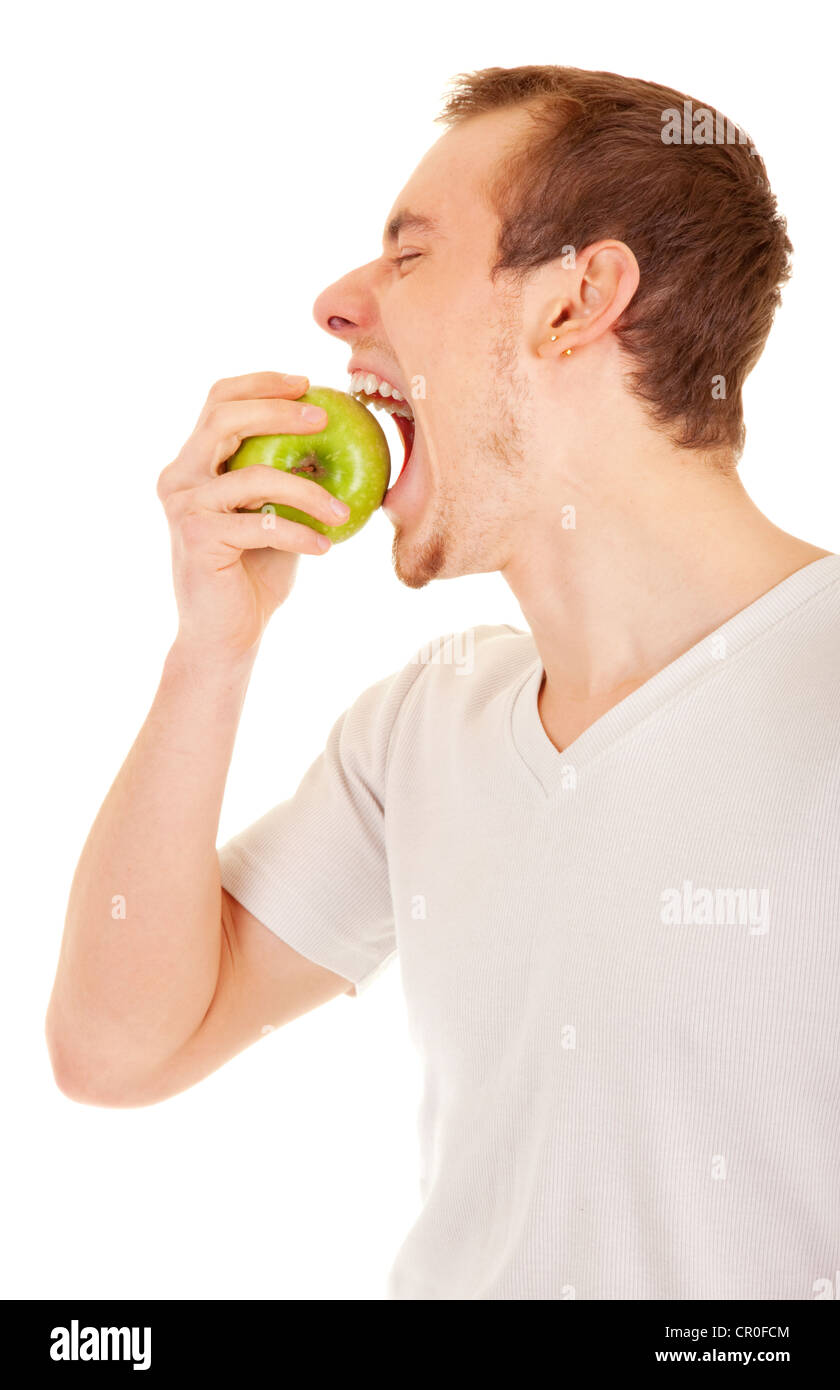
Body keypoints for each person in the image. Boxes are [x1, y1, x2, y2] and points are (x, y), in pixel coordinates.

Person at [47, 65, 839, 1301]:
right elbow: (114, 1052)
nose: (336, 303)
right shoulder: (422, 731)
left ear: (580, 299)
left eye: (408, 258)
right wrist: (214, 648)